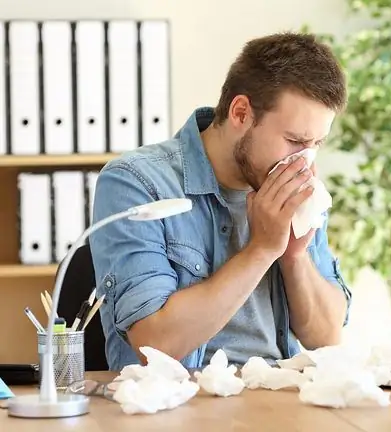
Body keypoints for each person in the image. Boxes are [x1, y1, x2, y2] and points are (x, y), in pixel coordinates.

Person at [89, 32, 352, 371]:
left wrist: (294, 256)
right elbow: (154, 344)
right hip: (182, 407)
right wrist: (262, 250)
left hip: (282, 398)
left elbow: (327, 336)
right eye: (294, 141)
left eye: (316, 143)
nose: (304, 161)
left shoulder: (297, 187)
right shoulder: (137, 182)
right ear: (241, 112)